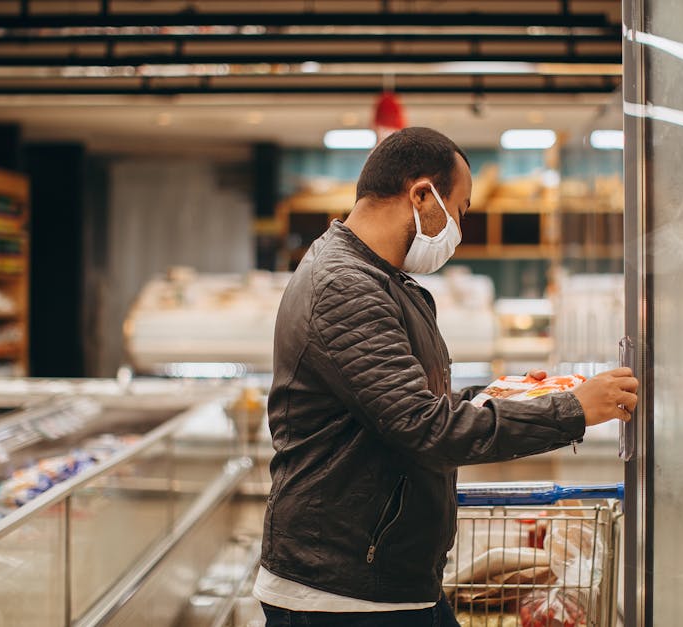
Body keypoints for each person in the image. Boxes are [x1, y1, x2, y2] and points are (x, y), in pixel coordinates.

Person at [254, 127, 639, 627]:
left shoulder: (380, 279)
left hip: (384, 577)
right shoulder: (346, 286)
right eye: (459, 211)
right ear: (420, 194)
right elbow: (423, 427)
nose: (459, 229)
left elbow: (409, 403)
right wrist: (571, 411)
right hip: (342, 592)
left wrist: (517, 394)